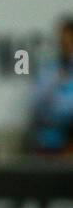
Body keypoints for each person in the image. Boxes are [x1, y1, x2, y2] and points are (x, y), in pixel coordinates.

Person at [29, 18, 73, 154]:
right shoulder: (49, 71)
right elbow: (35, 104)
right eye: (63, 43)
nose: (67, 47)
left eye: (70, 42)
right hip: (52, 139)